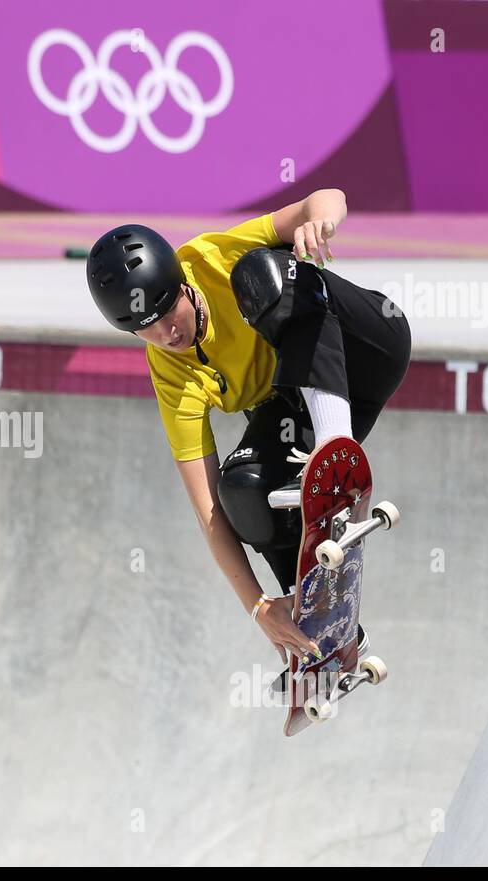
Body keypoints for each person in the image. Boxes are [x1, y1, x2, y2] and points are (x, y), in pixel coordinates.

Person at [85, 190, 411, 665]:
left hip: (370, 346)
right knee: (240, 489)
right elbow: (209, 512)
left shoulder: (214, 256)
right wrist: (258, 607)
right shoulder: (172, 376)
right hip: (301, 404)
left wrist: (320, 222)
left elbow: (329, 197)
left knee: (264, 274)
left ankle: (334, 446)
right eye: (145, 329)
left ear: (181, 281)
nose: (166, 335)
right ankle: (319, 625)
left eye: (168, 312)